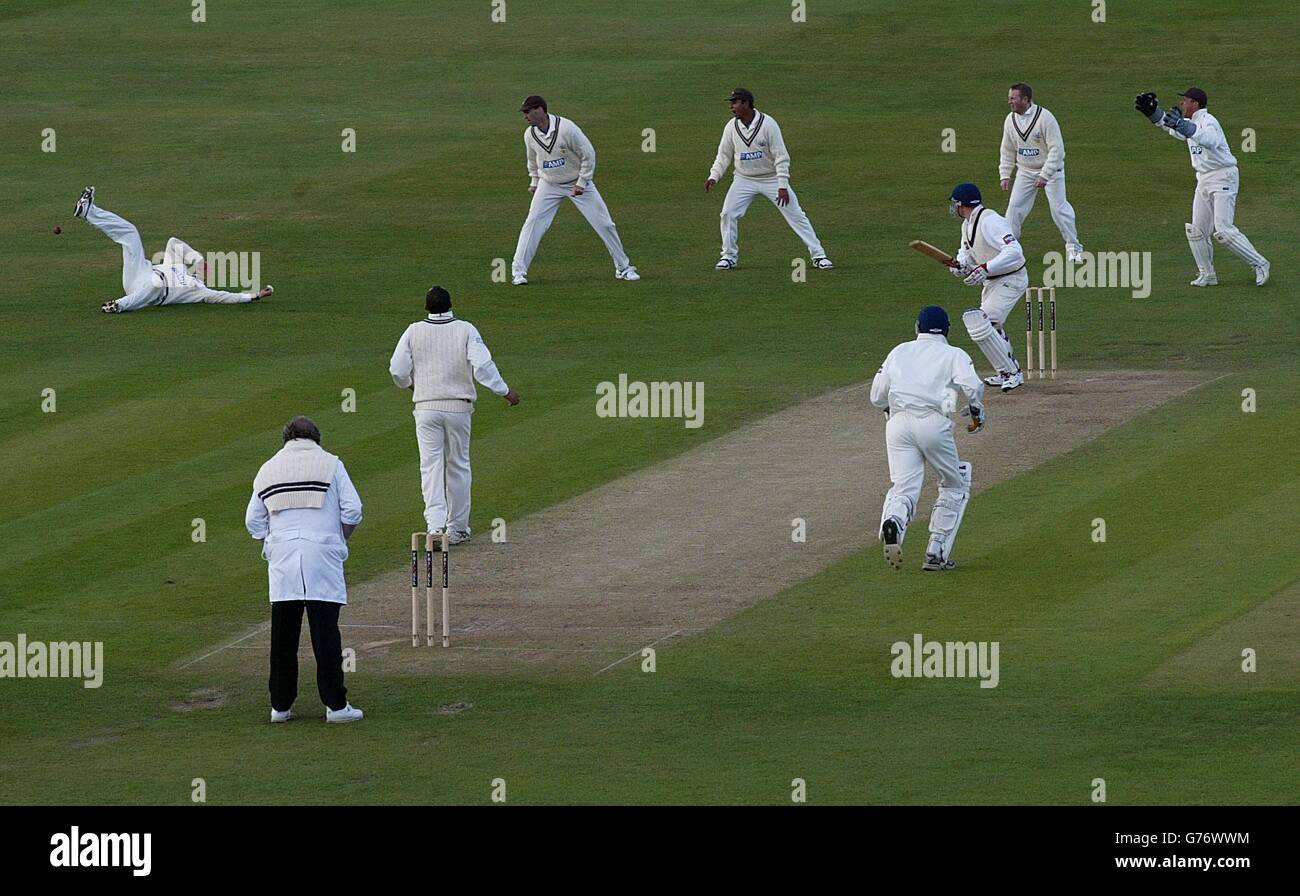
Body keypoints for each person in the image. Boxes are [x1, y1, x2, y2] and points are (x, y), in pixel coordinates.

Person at [245, 416, 363, 723]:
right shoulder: (331, 463)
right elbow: (353, 510)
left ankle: (280, 707)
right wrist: (338, 538)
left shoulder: (268, 467)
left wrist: (273, 541)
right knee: (325, 633)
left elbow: (253, 522)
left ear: (286, 439)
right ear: (316, 438)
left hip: (283, 557)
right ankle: (336, 707)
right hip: (322, 554)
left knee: (283, 636)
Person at [389, 286, 520, 544]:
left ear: (426, 307)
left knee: (431, 466)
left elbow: (397, 368)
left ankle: (436, 527)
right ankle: (458, 529)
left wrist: (410, 385)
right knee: (458, 465)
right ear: (451, 305)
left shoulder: (413, 330)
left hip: (426, 408)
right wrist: (504, 391)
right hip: (459, 408)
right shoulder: (466, 329)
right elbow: (482, 365)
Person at [870, 306, 984, 572]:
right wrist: (977, 411)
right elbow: (973, 386)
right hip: (934, 424)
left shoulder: (899, 351)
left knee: (903, 486)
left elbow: (876, 397)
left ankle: (894, 522)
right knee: (955, 483)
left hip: (897, 424)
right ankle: (936, 551)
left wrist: (892, 409)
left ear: (917, 327)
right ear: (946, 330)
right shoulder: (955, 354)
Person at [1134, 87, 1270, 286]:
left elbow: (1209, 140)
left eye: (1185, 100)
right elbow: (1174, 127)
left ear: (1195, 103)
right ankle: (1207, 274)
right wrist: (1153, 113)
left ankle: (1260, 264)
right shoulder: (1192, 123)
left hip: (1223, 177)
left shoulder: (1208, 121)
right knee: (1196, 231)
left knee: (1223, 231)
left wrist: (1182, 125)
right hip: (1204, 179)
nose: (1182, 104)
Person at [73, 187, 274, 313]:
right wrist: (197, 258)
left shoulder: (199, 291)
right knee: (131, 233)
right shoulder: (177, 267)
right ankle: (88, 211)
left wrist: (254, 295)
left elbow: (223, 296)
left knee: (157, 282)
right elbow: (173, 243)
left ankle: (118, 305)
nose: (204, 271)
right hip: (139, 273)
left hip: (149, 293)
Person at [510, 96, 639, 285]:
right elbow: (532, 159)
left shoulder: (567, 128)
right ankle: (518, 272)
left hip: (576, 183)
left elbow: (588, 154)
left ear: (540, 110)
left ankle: (623, 268)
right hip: (549, 184)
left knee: (604, 224)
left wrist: (582, 182)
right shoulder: (529, 135)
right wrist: (535, 181)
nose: (525, 116)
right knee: (533, 223)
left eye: (528, 112)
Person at [706, 88, 832, 271]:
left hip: (771, 179)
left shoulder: (768, 125)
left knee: (796, 215)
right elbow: (723, 156)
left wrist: (782, 185)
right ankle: (728, 257)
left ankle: (819, 255)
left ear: (746, 104)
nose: (731, 107)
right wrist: (713, 176)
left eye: (735, 102)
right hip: (743, 179)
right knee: (727, 214)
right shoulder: (731, 127)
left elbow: (781, 157)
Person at [948, 182, 1028, 393]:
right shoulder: (966, 225)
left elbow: (1014, 251)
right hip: (992, 282)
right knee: (990, 327)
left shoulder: (990, 221)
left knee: (986, 322)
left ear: (962, 204)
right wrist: (960, 267)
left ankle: (1012, 373)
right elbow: (964, 253)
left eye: (955, 204)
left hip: (1012, 278)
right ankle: (1007, 372)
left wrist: (984, 268)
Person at [998, 83, 1084, 262]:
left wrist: (1045, 174)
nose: (1009, 102)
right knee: (1014, 209)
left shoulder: (1045, 118)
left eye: (1013, 98)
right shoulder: (1010, 120)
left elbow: (1057, 149)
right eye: (1009, 98)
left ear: (1025, 99)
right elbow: (1007, 149)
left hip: (1051, 171)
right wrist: (1005, 174)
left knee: (1059, 210)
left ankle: (1074, 248)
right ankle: (1009, 249)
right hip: (1025, 171)